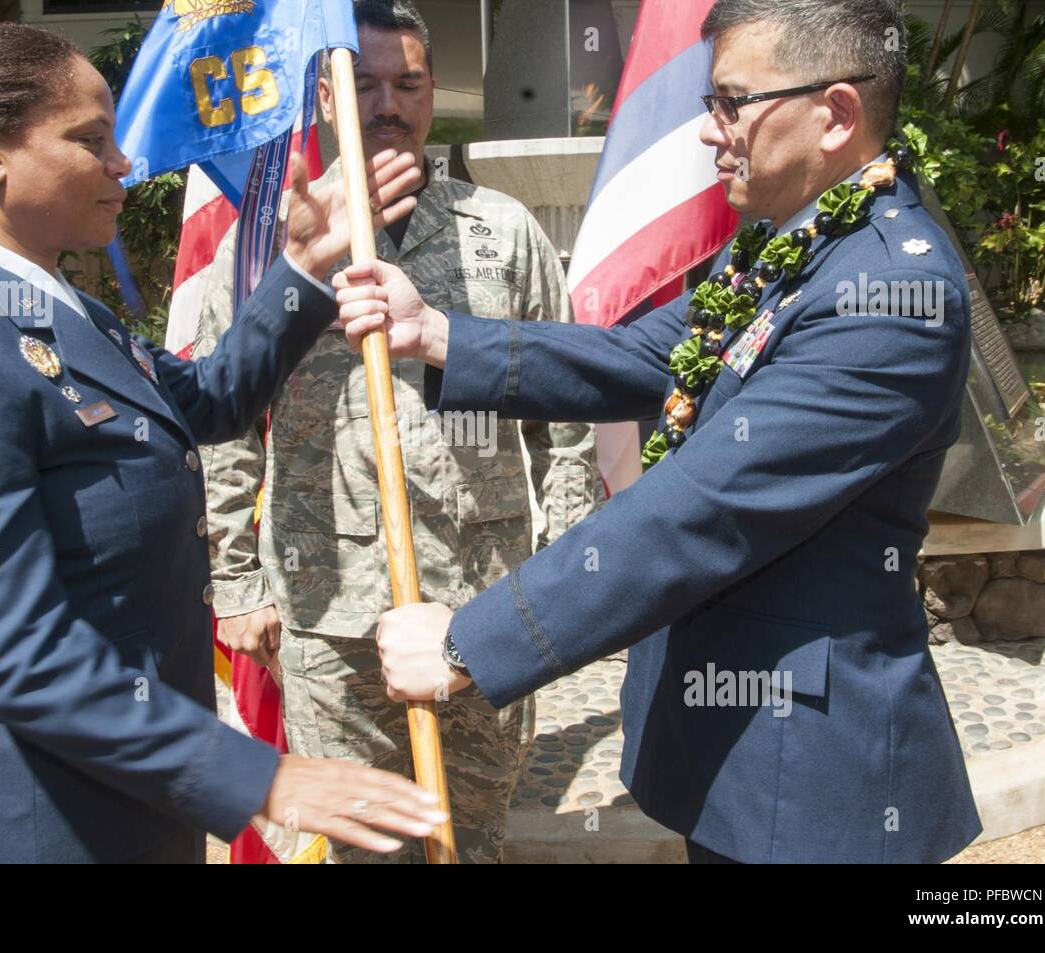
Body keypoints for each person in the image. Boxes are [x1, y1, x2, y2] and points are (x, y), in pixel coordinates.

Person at [335, 0, 984, 864]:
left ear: (834, 115)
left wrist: (467, 642)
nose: (709, 133)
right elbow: (648, 352)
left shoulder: (892, 299)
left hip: (817, 782)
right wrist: (442, 336)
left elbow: (702, 505)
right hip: (744, 754)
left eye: (731, 101)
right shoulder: (792, 243)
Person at [0, 23, 444, 864]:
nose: (124, 164)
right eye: (90, 141)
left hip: (131, 796)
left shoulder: (60, 307)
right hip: (26, 820)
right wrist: (259, 777)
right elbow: (12, 647)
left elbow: (205, 402)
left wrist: (307, 269)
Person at [194, 0, 601, 863]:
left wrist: (559, 586)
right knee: (356, 846)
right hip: (325, 606)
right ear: (326, 96)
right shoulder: (275, 242)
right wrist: (236, 582)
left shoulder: (505, 233)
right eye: (364, 81)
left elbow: (562, 428)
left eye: (408, 82)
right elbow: (223, 420)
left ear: (430, 92)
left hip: (481, 605)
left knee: (474, 835)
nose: (386, 102)